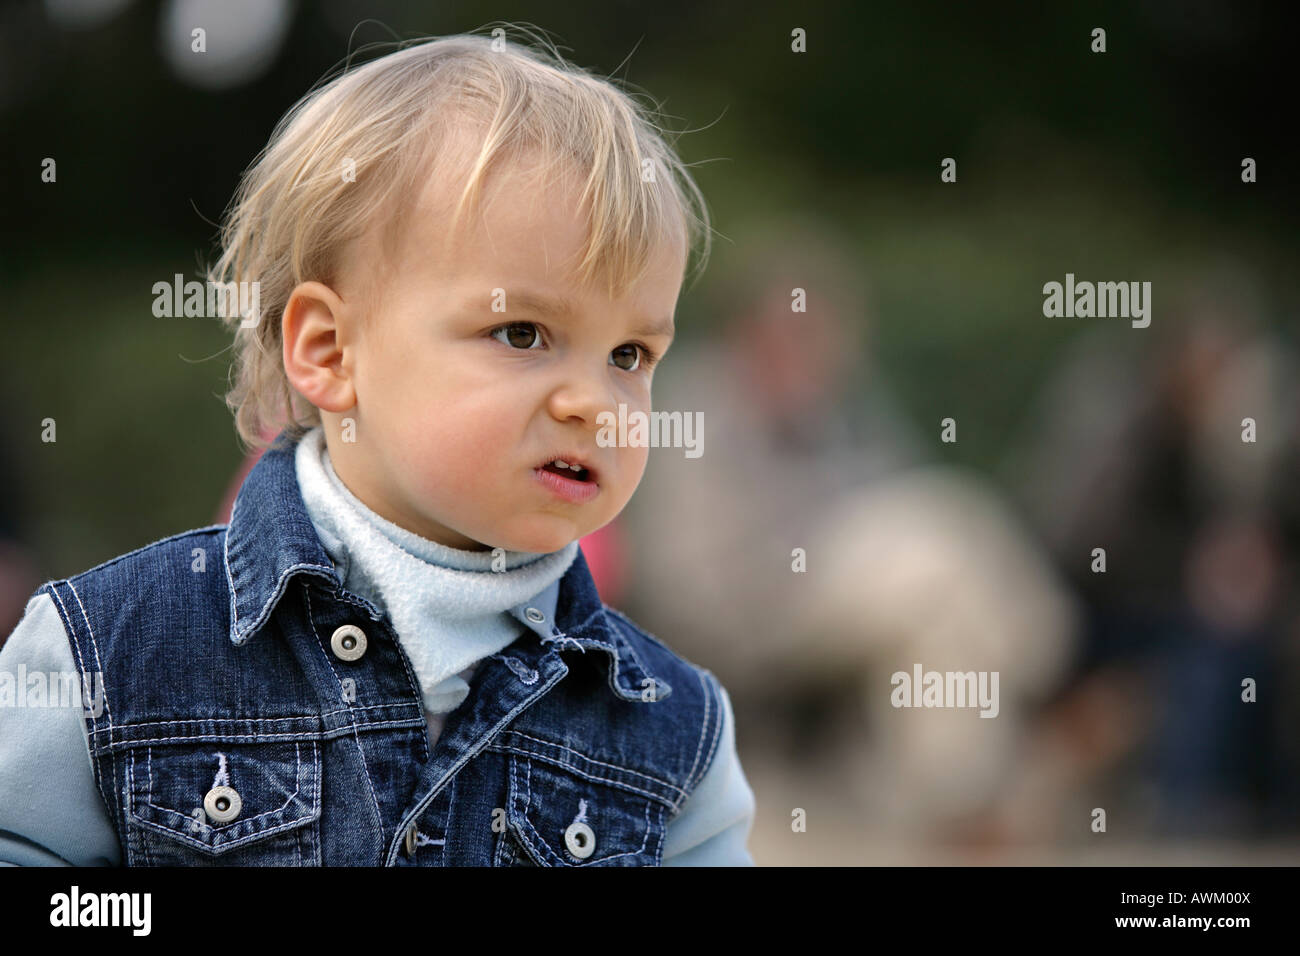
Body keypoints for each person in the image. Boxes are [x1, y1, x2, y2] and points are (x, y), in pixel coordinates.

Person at [0, 30, 755, 866]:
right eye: (522, 332)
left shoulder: (676, 734)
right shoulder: (108, 652)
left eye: (629, 356)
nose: (592, 402)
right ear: (330, 351)